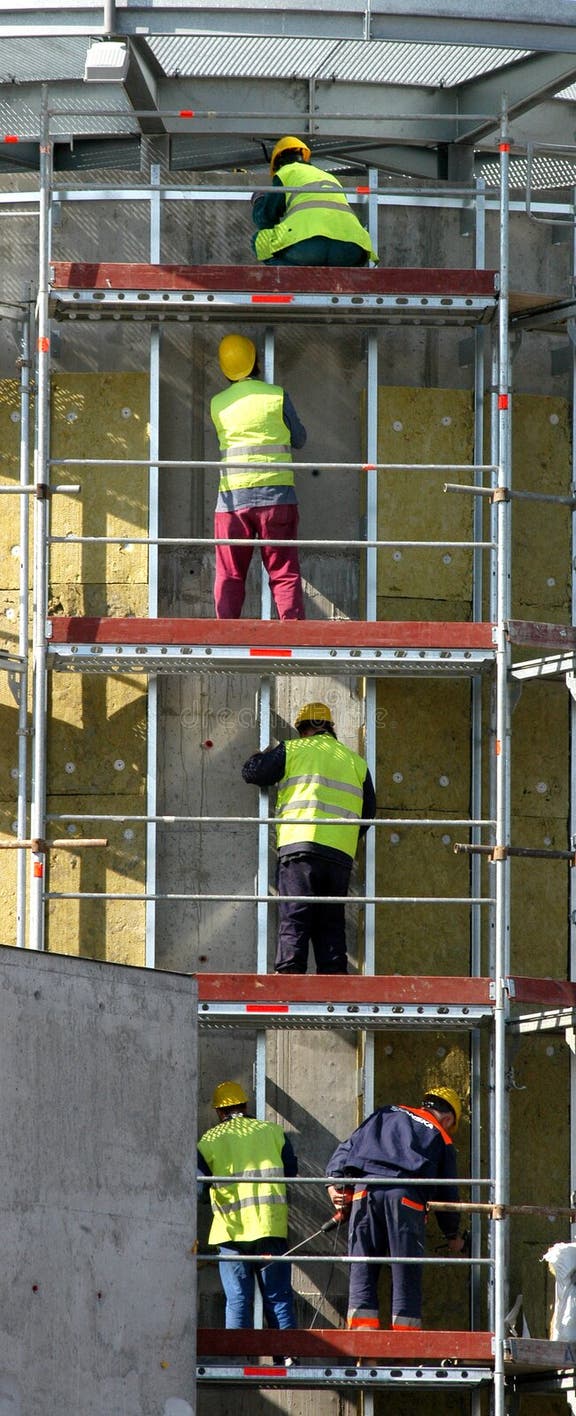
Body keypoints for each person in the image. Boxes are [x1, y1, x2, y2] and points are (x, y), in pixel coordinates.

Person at [242, 701, 376, 974]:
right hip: (340, 855)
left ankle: (290, 975)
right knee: (331, 922)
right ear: (330, 728)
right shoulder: (356, 763)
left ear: (303, 729)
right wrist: (344, 835)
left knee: (295, 914)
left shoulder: (293, 749)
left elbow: (253, 773)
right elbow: (368, 813)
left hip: (300, 847)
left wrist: (261, 754)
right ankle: (334, 981)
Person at [325, 1087, 466, 1331]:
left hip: (364, 1191)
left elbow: (348, 1147)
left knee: (362, 1267)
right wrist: (452, 1235)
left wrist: (334, 1183)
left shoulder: (386, 1112)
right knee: (405, 1270)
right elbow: (447, 1193)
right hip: (405, 1199)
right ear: (448, 1119)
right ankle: (404, 1349)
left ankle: (363, 1346)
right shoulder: (442, 1136)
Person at [210, 333, 307, 620]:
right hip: (276, 498)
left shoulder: (218, 404)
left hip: (231, 500)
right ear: (256, 362)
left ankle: (223, 637)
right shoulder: (276, 396)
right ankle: (294, 636)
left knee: (230, 573)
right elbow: (299, 439)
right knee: (283, 571)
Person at [197, 1080, 298, 1346]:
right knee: (277, 1297)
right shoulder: (273, 1132)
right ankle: (288, 1358)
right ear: (245, 1105)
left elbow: (198, 1191)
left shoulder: (208, 1140)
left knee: (238, 1299)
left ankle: (235, 1359)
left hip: (230, 1232)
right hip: (270, 1228)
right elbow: (291, 1173)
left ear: (220, 1111)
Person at [251, 135, 379, 267]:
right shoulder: (330, 177)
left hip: (309, 246)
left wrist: (258, 201)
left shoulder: (286, 172)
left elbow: (265, 219)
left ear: (278, 163)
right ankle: (341, 284)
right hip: (352, 247)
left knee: (260, 241)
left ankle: (290, 278)